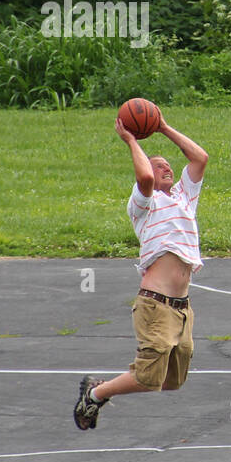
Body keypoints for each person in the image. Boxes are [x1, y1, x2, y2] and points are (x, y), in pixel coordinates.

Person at [73, 113, 209, 430]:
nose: (166, 168)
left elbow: (200, 157)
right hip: (155, 304)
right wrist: (131, 140)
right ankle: (94, 394)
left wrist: (162, 126)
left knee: (173, 381)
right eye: (158, 164)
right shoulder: (143, 206)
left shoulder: (184, 198)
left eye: (168, 166)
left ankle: (98, 391)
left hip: (182, 309)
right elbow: (145, 180)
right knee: (148, 377)